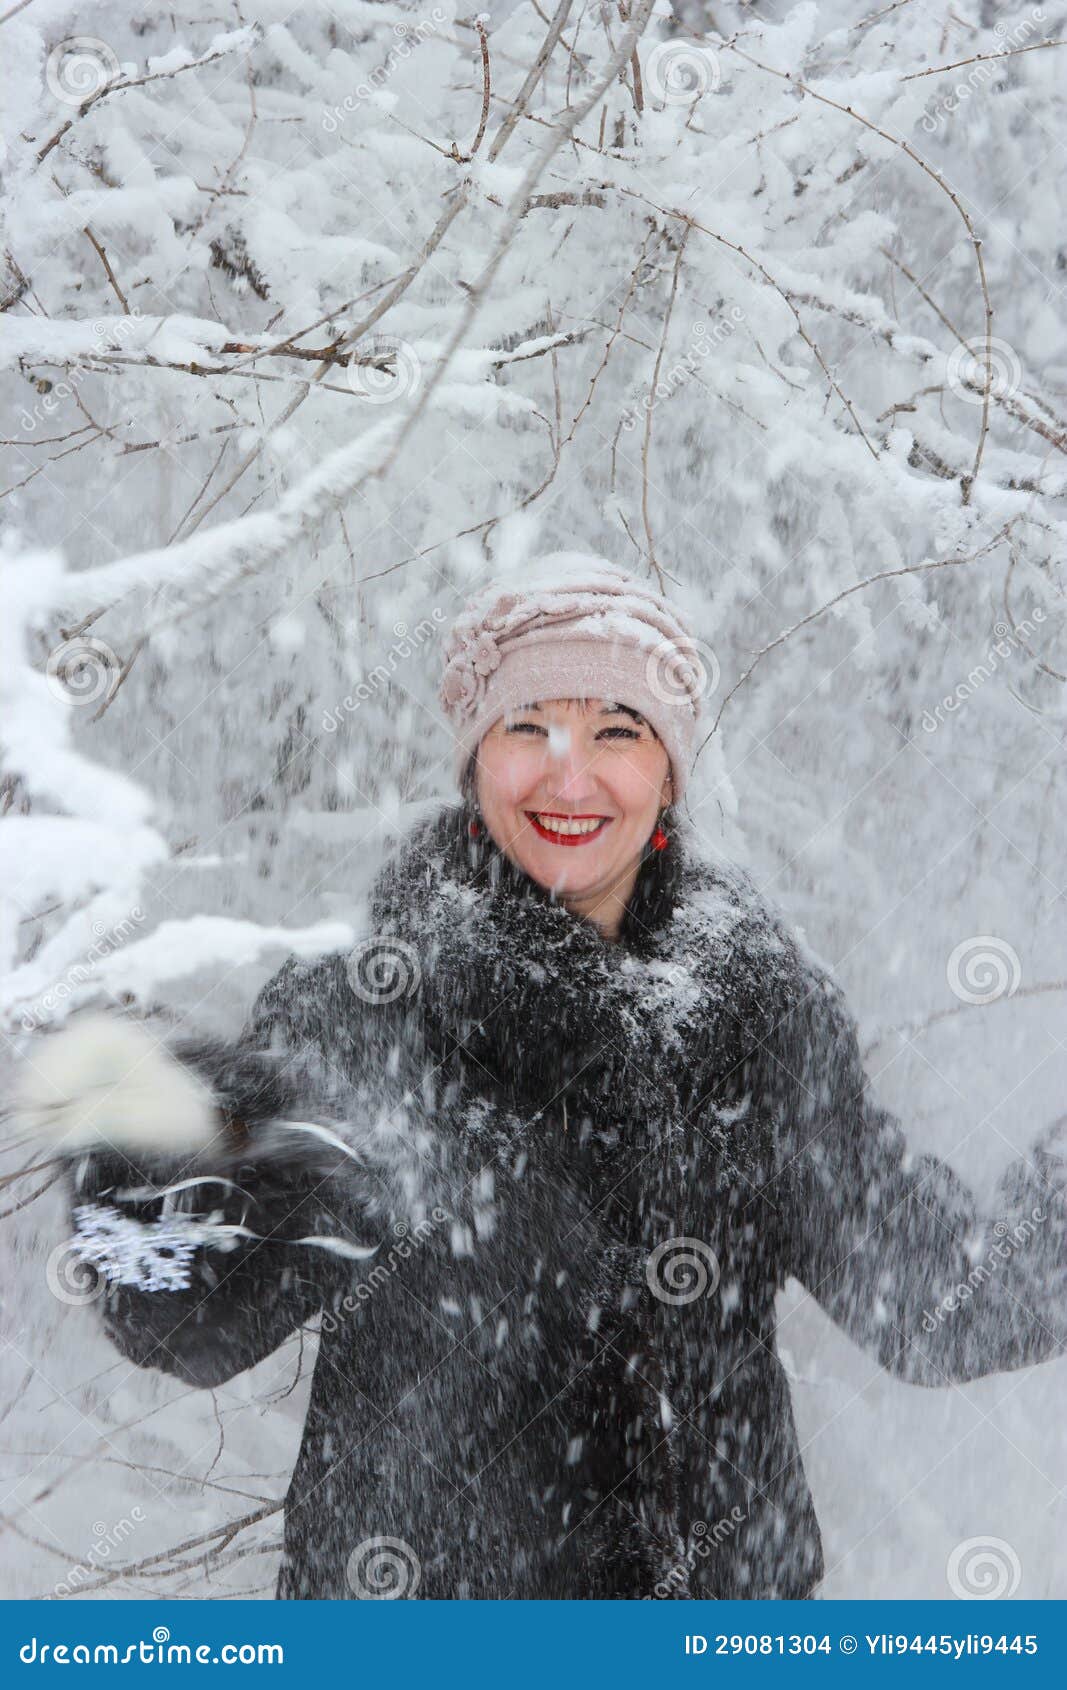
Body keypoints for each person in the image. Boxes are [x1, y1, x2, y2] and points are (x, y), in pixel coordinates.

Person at [17, 556, 1066, 1601]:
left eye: (616, 731)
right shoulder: (368, 1012)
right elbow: (195, 1317)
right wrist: (146, 1159)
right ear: (474, 760)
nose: (570, 777)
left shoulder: (758, 1017)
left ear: (667, 768)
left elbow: (943, 1302)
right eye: (528, 728)